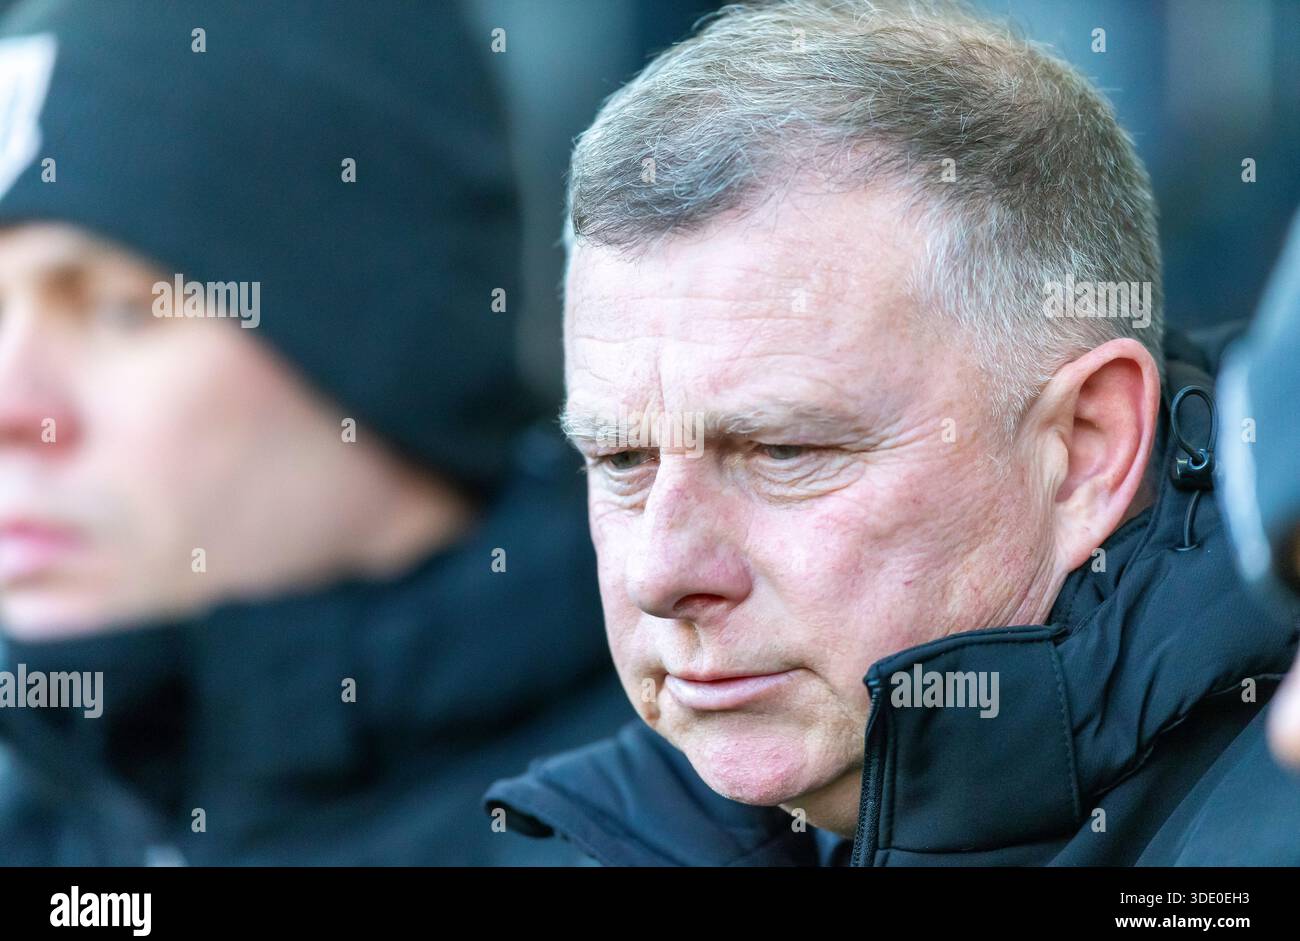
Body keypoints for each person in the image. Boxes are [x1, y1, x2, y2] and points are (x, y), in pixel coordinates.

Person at [483, 0, 1300, 865]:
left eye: (782, 452)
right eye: (620, 459)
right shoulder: (591, 834)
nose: (661, 573)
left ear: (1085, 451)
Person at [0, 0, 628, 865]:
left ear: (388, 344)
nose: (13, 409)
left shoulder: (699, 822)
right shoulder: (54, 801)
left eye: (118, 309)